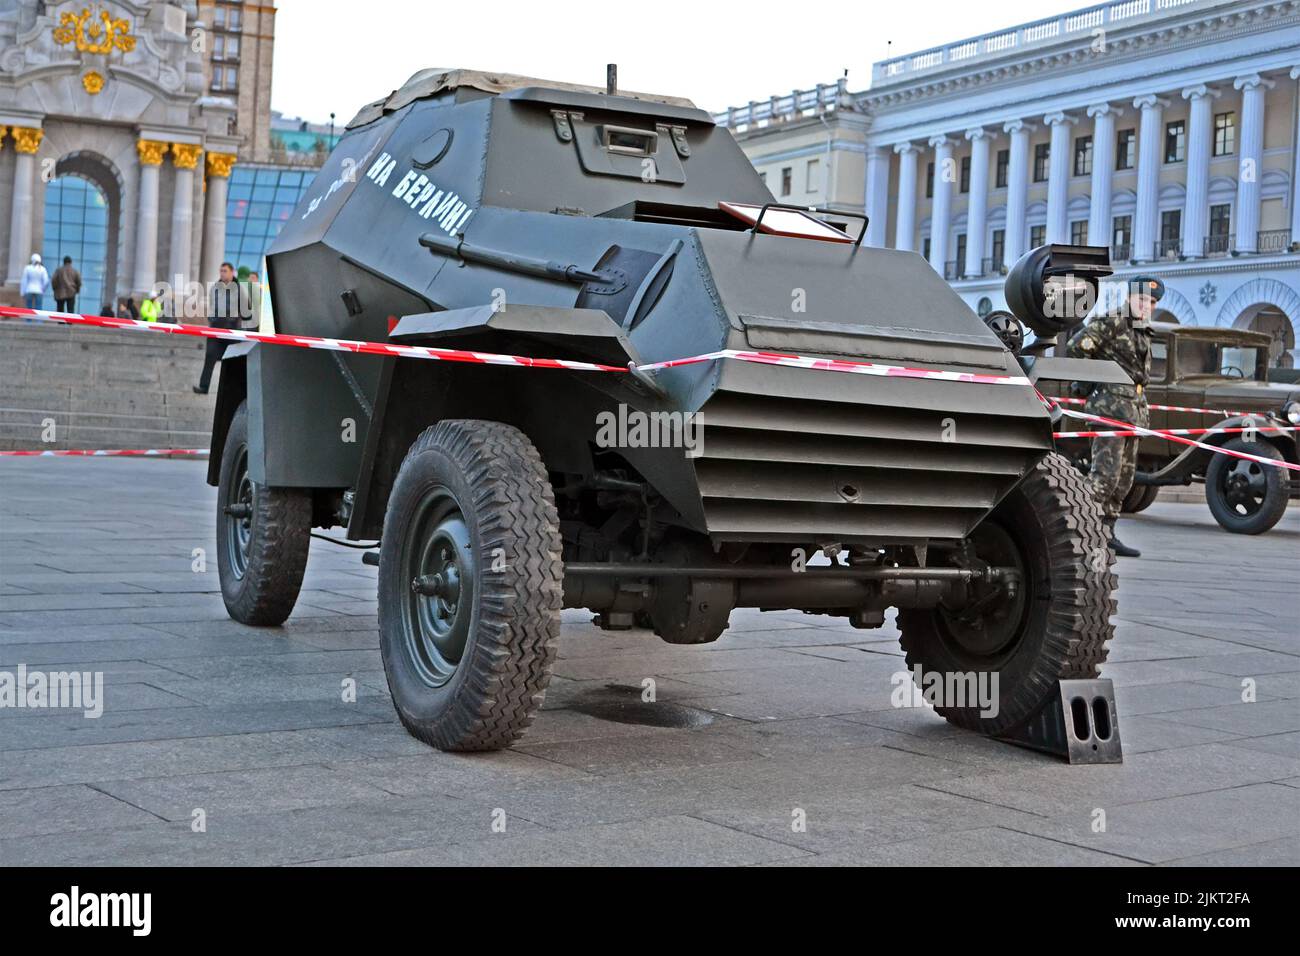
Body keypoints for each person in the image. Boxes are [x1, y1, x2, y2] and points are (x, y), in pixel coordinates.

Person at [1066, 275, 1163, 558]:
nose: (1147, 306)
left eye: (1152, 302)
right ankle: (1074, 529)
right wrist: (1090, 385)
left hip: (1132, 412)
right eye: (1142, 299)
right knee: (1103, 478)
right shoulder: (1113, 321)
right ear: (1130, 298)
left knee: (1124, 480)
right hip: (1109, 410)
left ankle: (1107, 534)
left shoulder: (1142, 329)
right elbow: (1076, 347)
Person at [194, 262, 251, 394]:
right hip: (216, 327)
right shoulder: (215, 287)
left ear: (232, 272)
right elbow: (212, 305)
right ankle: (204, 386)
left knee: (234, 362)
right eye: (221, 271)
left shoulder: (239, 289)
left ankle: (237, 391)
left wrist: (238, 320)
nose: (222, 273)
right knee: (210, 356)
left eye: (225, 271)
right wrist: (211, 319)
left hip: (232, 329)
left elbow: (247, 309)